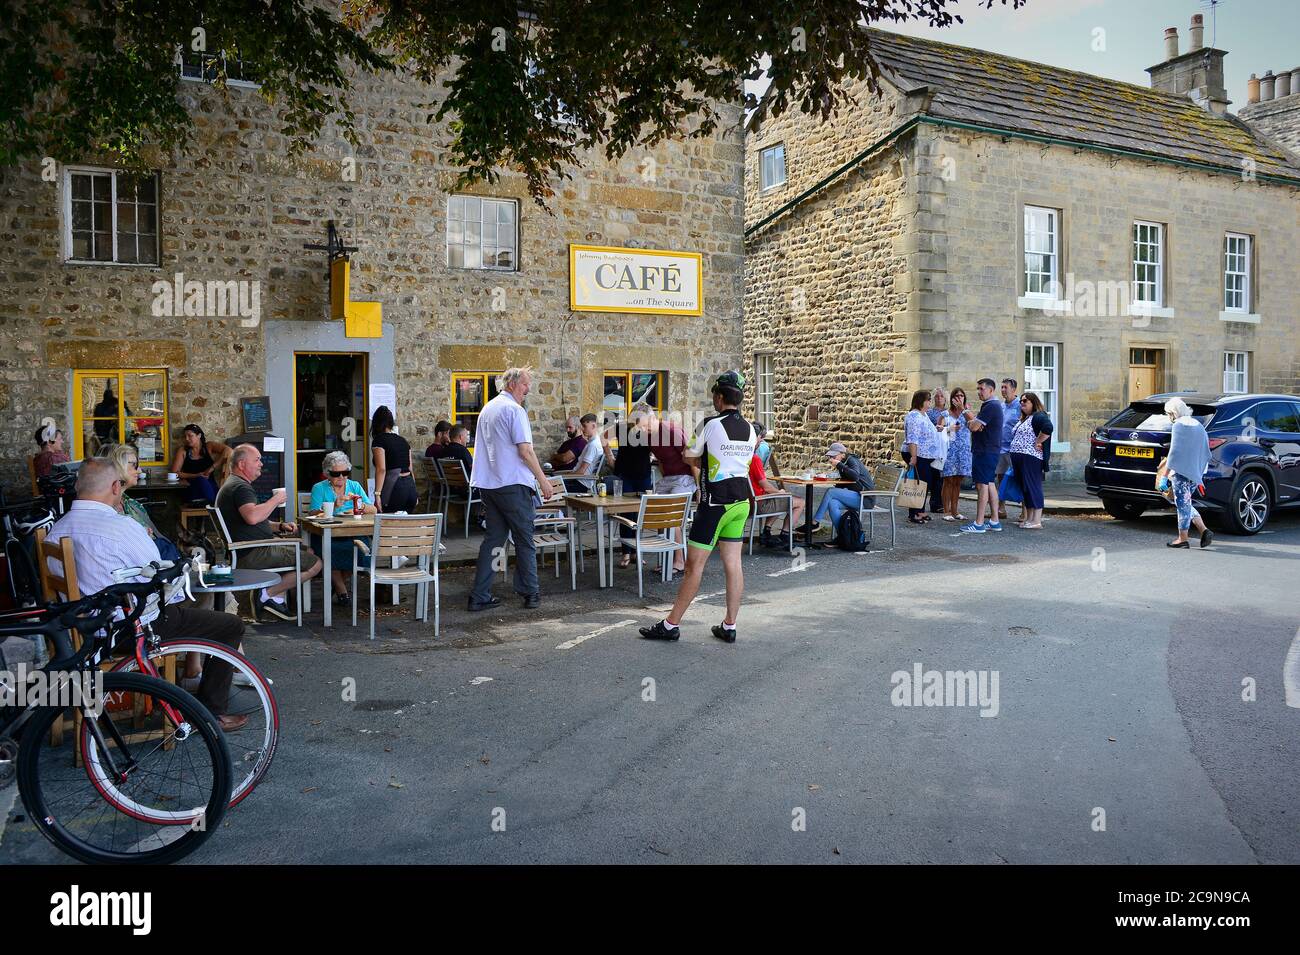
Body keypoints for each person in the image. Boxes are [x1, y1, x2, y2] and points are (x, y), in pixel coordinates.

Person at [45, 459, 248, 730]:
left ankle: (189, 680)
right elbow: (157, 579)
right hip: (128, 631)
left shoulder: (55, 530)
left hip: (81, 634)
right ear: (116, 487)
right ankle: (211, 713)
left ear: (77, 486)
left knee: (192, 612)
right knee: (229, 625)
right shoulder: (122, 527)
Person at [640, 370, 755, 644]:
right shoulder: (751, 429)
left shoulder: (710, 424)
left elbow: (688, 455)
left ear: (719, 397)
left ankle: (670, 626)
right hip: (741, 501)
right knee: (733, 564)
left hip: (716, 502)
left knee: (694, 567)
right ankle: (729, 625)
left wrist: (708, 460)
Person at [467, 368, 560, 611]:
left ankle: (480, 595)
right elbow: (525, 451)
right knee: (524, 539)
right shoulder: (514, 410)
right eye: (525, 385)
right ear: (512, 384)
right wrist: (543, 480)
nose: (528, 390)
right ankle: (530, 593)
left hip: (489, 484)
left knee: (494, 541)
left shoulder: (487, 408)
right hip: (512, 484)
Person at [215, 444, 322, 620]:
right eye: (257, 460)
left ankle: (276, 600)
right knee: (316, 563)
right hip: (253, 553)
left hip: (246, 550)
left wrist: (279, 526)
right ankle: (266, 595)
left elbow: (251, 521)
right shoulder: (241, 488)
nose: (261, 464)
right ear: (242, 464)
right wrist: (276, 500)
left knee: (307, 552)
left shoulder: (233, 484)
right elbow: (252, 517)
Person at [308, 451, 375, 605]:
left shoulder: (354, 486)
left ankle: (336, 583)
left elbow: (373, 510)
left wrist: (360, 505)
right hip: (326, 535)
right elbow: (312, 512)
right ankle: (341, 590)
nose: (342, 477)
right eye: (336, 473)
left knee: (363, 550)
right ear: (327, 474)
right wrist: (334, 506)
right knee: (329, 550)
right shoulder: (319, 488)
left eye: (345, 473)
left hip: (352, 532)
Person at [100, 443, 184, 564]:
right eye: (135, 465)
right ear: (117, 467)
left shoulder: (130, 503)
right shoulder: (103, 509)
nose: (139, 470)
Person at [645, 408, 698, 574]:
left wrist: (699, 488)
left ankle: (680, 560)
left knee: (671, 514)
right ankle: (666, 559)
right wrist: (664, 481)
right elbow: (661, 460)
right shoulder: (648, 436)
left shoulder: (671, 430)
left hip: (685, 477)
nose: (642, 428)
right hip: (668, 477)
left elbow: (692, 458)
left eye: (644, 424)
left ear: (653, 418)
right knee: (657, 512)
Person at [1160, 397, 1213, 549]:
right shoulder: (1198, 425)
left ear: (1174, 413)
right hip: (1196, 472)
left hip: (1181, 472)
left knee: (1182, 505)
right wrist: (1200, 475)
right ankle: (1204, 530)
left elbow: (1174, 452)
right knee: (1185, 502)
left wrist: (1164, 477)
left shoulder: (1178, 426)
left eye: (1169, 414)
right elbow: (1204, 450)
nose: (1169, 417)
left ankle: (1182, 539)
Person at [960, 379, 1005, 533]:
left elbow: (974, 427)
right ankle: (994, 521)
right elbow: (977, 426)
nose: (979, 391)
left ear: (991, 390)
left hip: (985, 451)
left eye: (982, 389)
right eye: (978, 388)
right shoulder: (991, 406)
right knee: (990, 484)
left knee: (981, 486)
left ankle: (979, 523)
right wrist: (971, 420)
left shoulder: (991, 406)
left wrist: (964, 412)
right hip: (989, 450)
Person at [1008, 392, 1052, 529]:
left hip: (1031, 458)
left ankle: (1037, 520)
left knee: (1033, 487)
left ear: (1033, 403)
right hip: (1020, 458)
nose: (1022, 403)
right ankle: (1030, 519)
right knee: (1026, 488)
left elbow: (1048, 428)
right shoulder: (1026, 418)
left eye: (1025, 401)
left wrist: (1038, 441)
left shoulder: (1039, 415)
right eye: (1021, 401)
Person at [816, 442, 876, 536]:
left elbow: (855, 476)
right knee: (832, 503)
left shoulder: (852, 460)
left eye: (834, 456)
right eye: (830, 457)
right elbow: (846, 482)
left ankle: (815, 522)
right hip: (858, 495)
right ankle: (843, 536)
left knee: (830, 492)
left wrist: (839, 465)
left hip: (865, 498)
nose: (831, 459)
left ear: (842, 454)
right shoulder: (844, 463)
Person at [750, 450, 805, 549]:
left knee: (780, 499)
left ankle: (766, 533)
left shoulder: (743, 458)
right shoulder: (755, 459)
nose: (762, 441)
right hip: (759, 503)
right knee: (800, 502)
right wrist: (780, 492)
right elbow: (766, 487)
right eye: (761, 437)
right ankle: (785, 535)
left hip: (747, 502)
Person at [901, 390, 940, 525]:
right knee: (917, 484)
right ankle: (914, 513)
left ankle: (920, 510)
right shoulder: (914, 416)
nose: (930, 402)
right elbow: (913, 437)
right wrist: (913, 456)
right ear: (920, 401)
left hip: (925, 455)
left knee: (925, 482)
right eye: (928, 399)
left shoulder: (923, 415)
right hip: (917, 454)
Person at [371, 405, 417, 514]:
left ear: (376, 423)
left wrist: (377, 494)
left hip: (395, 488)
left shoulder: (379, 441)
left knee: (388, 524)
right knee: (405, 525)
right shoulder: (403, 441)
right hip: (410, 486)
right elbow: (410, 468)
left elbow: (381, 469)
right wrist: (415, 492)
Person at [170, 423, 230, 504]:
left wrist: (212, 467)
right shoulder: (183, 450)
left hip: (210, 485)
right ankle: (213, 507)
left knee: (208, 487)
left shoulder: (209, 446)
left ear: (199, 435)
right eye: (185, 436)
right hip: (191, 487)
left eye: (190, 435)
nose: (187, 439)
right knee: (201, 481)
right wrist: (196, 475)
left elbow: (229, 451)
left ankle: (212, 506)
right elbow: (175, 473)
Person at [940, 387, 972, 521]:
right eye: (956, 396)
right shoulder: (946, 414)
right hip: (949, 451)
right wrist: (949, 429)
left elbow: (973, 424)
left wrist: (964, 409)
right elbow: (938, 430)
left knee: (958, 481)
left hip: (963, 451)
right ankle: (946, 511)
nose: (959, 398)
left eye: (961, 396)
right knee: (948, 480)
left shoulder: (967, 413)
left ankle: (955, 510)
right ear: (952, 399)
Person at [996, 378, 1021, 522]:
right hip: (1000, 448)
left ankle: (1024, 511)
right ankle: (1001, 509)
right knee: (1000, 478)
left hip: (1014, 449)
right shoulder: (1001, 406)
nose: (1003, 390)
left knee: (1019, 478)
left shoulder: (1020, 406)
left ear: (1013, 389)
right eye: (1002, 387)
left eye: (1005, 387)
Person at [566, 413, 606, 492]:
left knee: (549, 486)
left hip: (579, 484)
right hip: (578, 481)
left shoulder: (593, 445)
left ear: (593, 426)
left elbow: (581, 471)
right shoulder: (593, 442)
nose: (582, 430)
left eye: (585, 426)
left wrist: (565, 476)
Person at [926, 387, 950, 514]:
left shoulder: (948, 412)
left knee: (941, 477)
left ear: (945, 398)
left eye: (941, 396)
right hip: (932, 448)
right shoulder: (929, 412)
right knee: (934, 476)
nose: (939, 398)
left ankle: (939, 503)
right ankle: (933, 503)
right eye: (936, 396)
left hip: (945, 448)